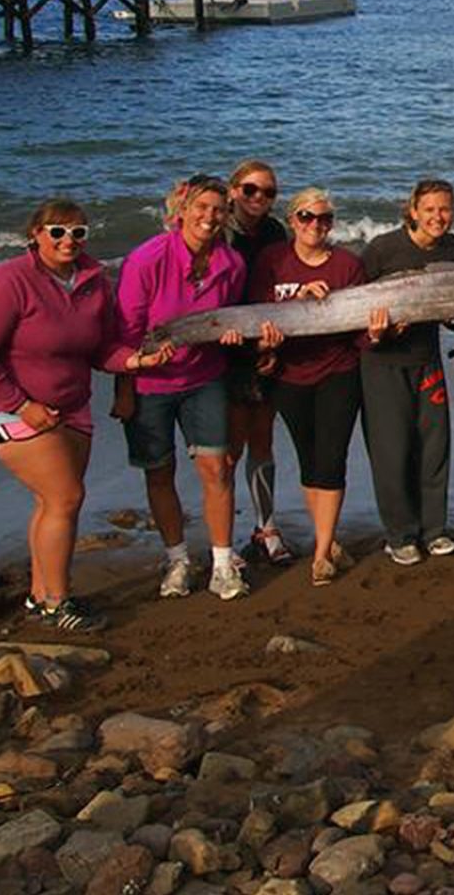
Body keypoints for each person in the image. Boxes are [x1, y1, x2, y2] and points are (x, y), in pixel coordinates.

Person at [0, 201, 171, 631]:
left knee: (51, 501)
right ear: (35, 235)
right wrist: (23, 407)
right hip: (7, 408)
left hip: (71, 407)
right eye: (57, 231)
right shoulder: (8, 280)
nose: (68, 240)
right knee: (65, 498)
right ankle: (58, 603)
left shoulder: (93, 281)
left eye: (78, 233)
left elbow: (101, 349)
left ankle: (40, 596)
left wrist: (136, 362)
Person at [116, 175, 263, 601]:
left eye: (218, 210)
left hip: (205, 378)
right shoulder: (146, 259)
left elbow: (226, 319)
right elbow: (126, 332)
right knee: (160, 471)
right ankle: (177, 559)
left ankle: (222, 565)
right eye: (201, 207)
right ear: (181, 211)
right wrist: (123, 390)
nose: (209, 217)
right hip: (150, 382)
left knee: (217, 469)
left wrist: (232, 335)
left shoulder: (231, 264)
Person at [248, 188, 370, 586]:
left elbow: (359, 331)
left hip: (338, 371)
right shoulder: (272, 260)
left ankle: (321, 555)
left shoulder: (347, 265)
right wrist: (295, 304)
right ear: (292, 220)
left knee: (332, 459)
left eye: (324, 218)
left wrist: (379, 333)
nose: (315, 225)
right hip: (289, 374)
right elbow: (256, 313)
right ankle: (328, 540)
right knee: (309, 460)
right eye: (306, 216)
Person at [360, 178, 454, 565]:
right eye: (430, 209)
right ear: (413, 211)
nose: (438, 216)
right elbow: (352, 303)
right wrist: (377, 332)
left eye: (445, 209)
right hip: (382, 363)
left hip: (427, 359)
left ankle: (433, 530)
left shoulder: (452, 249)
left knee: (435, 446)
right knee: (392, 451)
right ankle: (400, 535)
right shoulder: (383, 249)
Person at [224, 159, 294, 565]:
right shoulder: (219, 229)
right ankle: (223, 539)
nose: (258, 197)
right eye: (250, 189)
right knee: (229, 446)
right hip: (224, 345)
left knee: (262, 438)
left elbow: (278, 289)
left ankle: (265, 527)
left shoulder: (274, 232)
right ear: (234, 190)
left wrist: (270, 349)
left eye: (268, 192)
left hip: (265, 340)